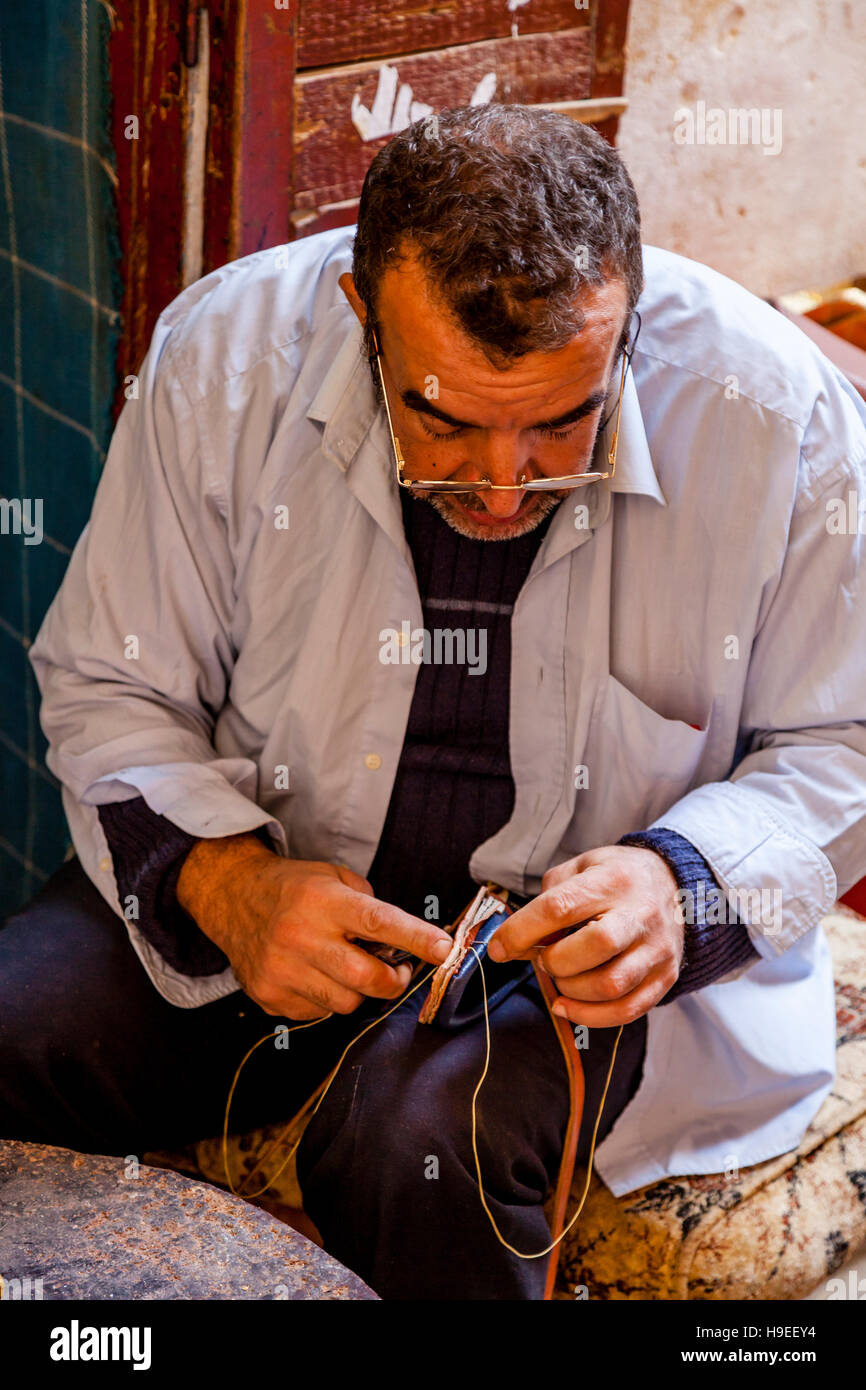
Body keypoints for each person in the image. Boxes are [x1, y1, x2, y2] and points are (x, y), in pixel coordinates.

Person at [3, 105, 865, 1301]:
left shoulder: (775, 413)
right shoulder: (224, 354)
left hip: (555, 964)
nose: (504, 489)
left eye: (562, 422)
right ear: (361, 317)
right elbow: (110, 679)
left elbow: (843, 736)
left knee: (418, 1143)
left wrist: (682, 882)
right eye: (443, 421)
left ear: (625, 321)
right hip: (279, 875)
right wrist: (230, 885)